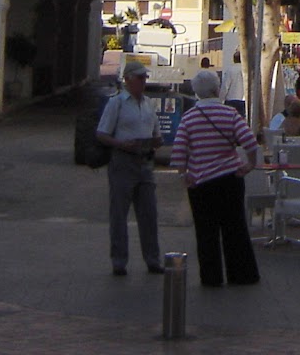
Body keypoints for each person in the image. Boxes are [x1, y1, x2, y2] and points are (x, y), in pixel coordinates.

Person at [169, 69, 261, 287]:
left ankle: (211, 277)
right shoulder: (230, 114)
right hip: (229, 178)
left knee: (206, 232)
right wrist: (249, 165)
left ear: (197, 92)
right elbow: (250, 142)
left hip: (200, 182)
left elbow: (179, 150)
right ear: (216, 89)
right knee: (235, 227)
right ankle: (241, 275)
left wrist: (184, 174)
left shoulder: (189, 118)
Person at [95, 62, 164, 275]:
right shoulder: (117, 103)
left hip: (144, 161)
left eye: (145, 78)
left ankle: (152, 258)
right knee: (119, 213)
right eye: (139, 78)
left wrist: (155, 141)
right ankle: (119, 260)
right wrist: (121, 144)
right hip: (123, 160)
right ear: (128, 80)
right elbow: (102, 133)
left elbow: (156, 133)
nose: (143, 82)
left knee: (149, 213)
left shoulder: (148, 104)